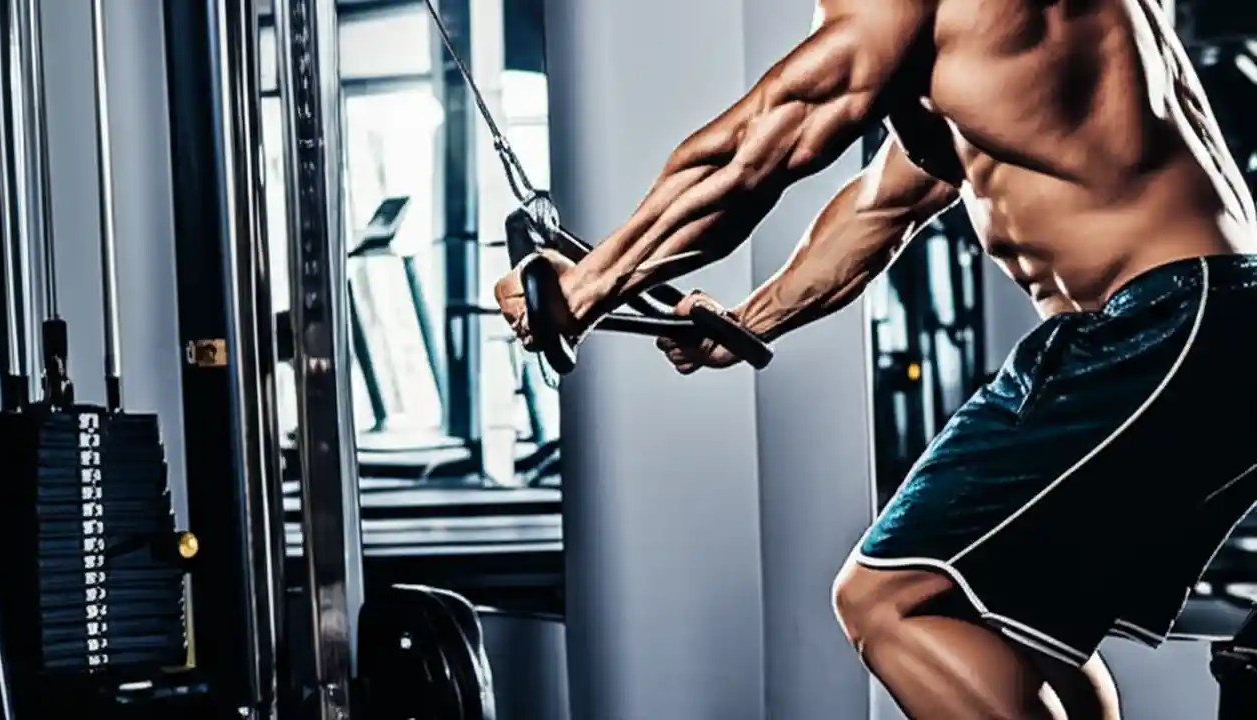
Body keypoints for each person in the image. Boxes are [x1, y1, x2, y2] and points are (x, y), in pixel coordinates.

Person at [493, 0, 1257, 717]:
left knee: (888, 599)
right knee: (1011, 624)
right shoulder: (1010, 36)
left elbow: (769, 137)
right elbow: (882, 207)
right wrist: (748, 318)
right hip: (1213, 315)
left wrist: (587, 284)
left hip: (1161, 321)